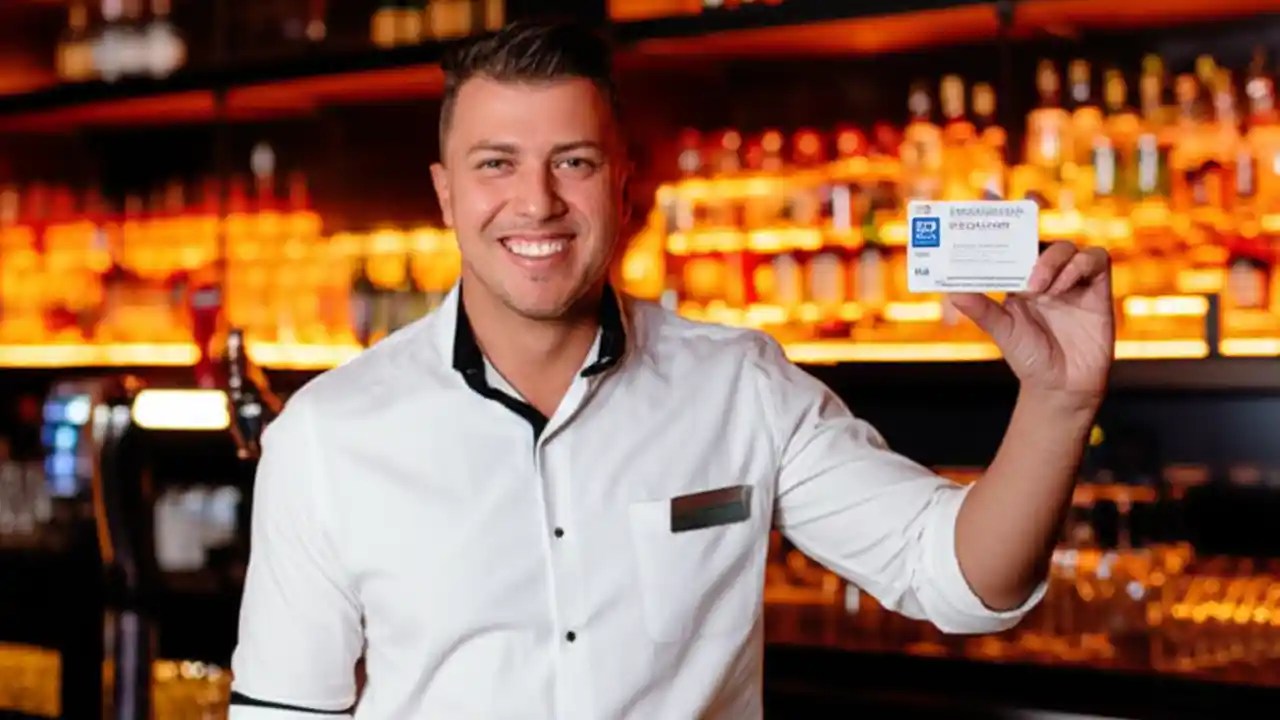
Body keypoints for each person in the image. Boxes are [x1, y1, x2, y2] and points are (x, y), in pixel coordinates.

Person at [228, 20, 1114, 719]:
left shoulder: (741, 387)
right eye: (496, 164)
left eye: (571, 162)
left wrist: (1059, 399)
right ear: (446, 192)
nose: (536, 201)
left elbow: (958, 581)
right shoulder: (325, 438)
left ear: (621, 184)